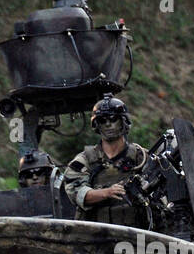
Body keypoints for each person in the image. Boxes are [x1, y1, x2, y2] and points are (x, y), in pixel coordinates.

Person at [62, 96, 150, 227]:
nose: (108, 124)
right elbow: (77, 193)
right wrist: (107, 192)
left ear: (123, 121)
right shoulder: (84, 160)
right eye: (102, 120)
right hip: (97, 238)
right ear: (97, 125)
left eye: (113, 119)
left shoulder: (141, 157)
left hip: (137, 235)